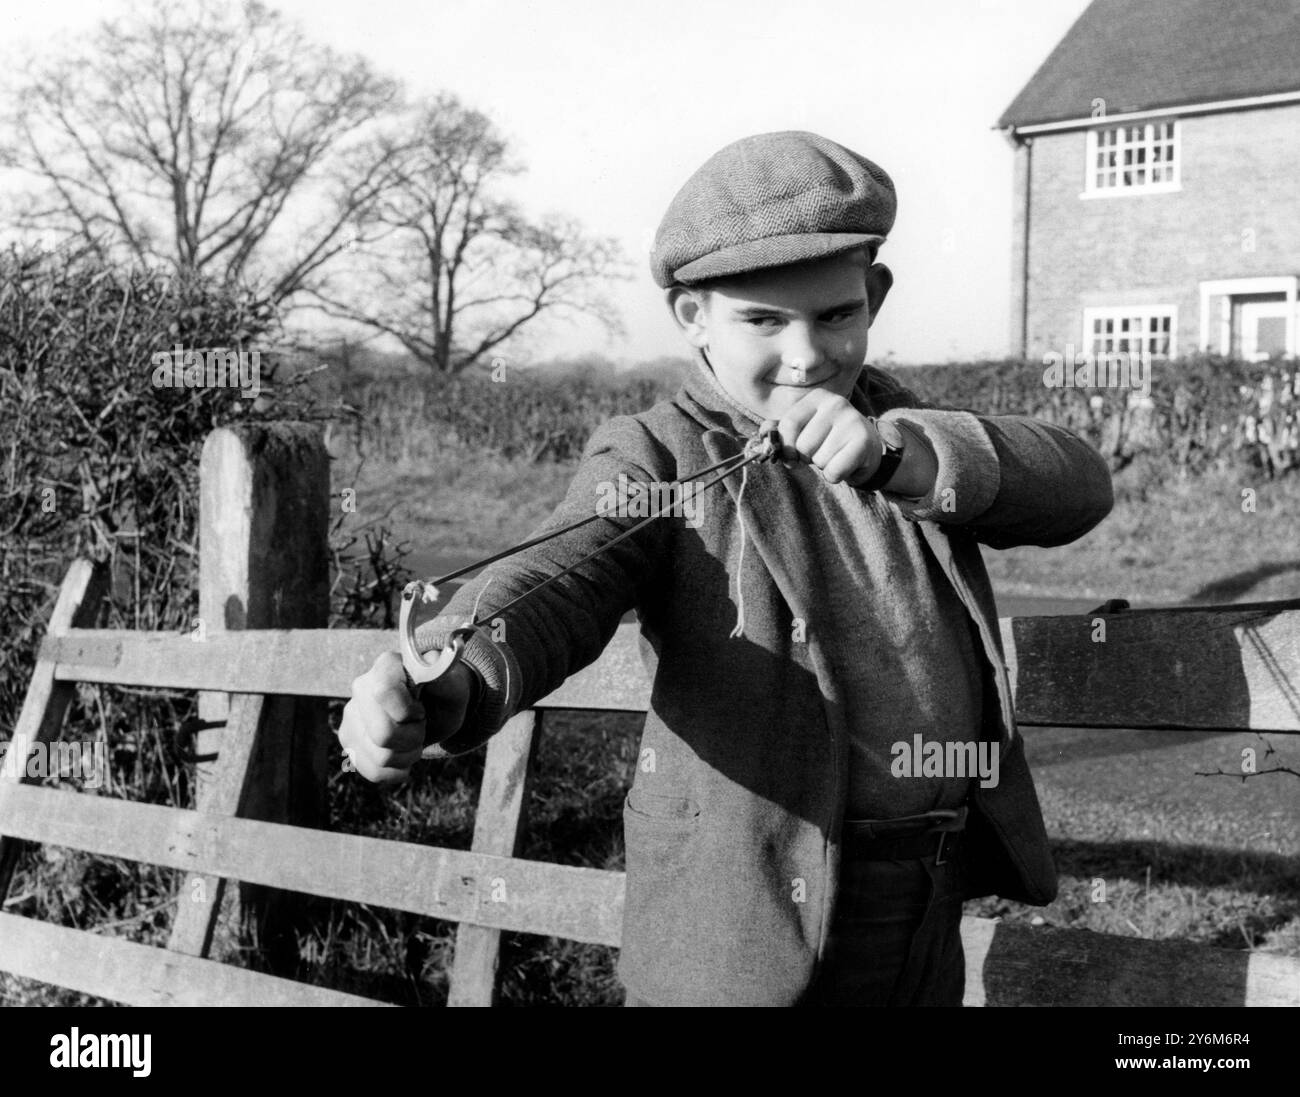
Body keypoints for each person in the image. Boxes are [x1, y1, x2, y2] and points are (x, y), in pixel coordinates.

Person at [338, 131, 1114, 1007]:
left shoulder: (902, 425)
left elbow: (1078, 483)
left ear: (875, 295)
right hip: (739, 934)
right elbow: (559, 577)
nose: (806, 355)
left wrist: (904, 457)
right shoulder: (658, 455)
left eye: (835, 314)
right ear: (692, 316)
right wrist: (445, 677)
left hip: (923, 910)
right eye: (761, 320)